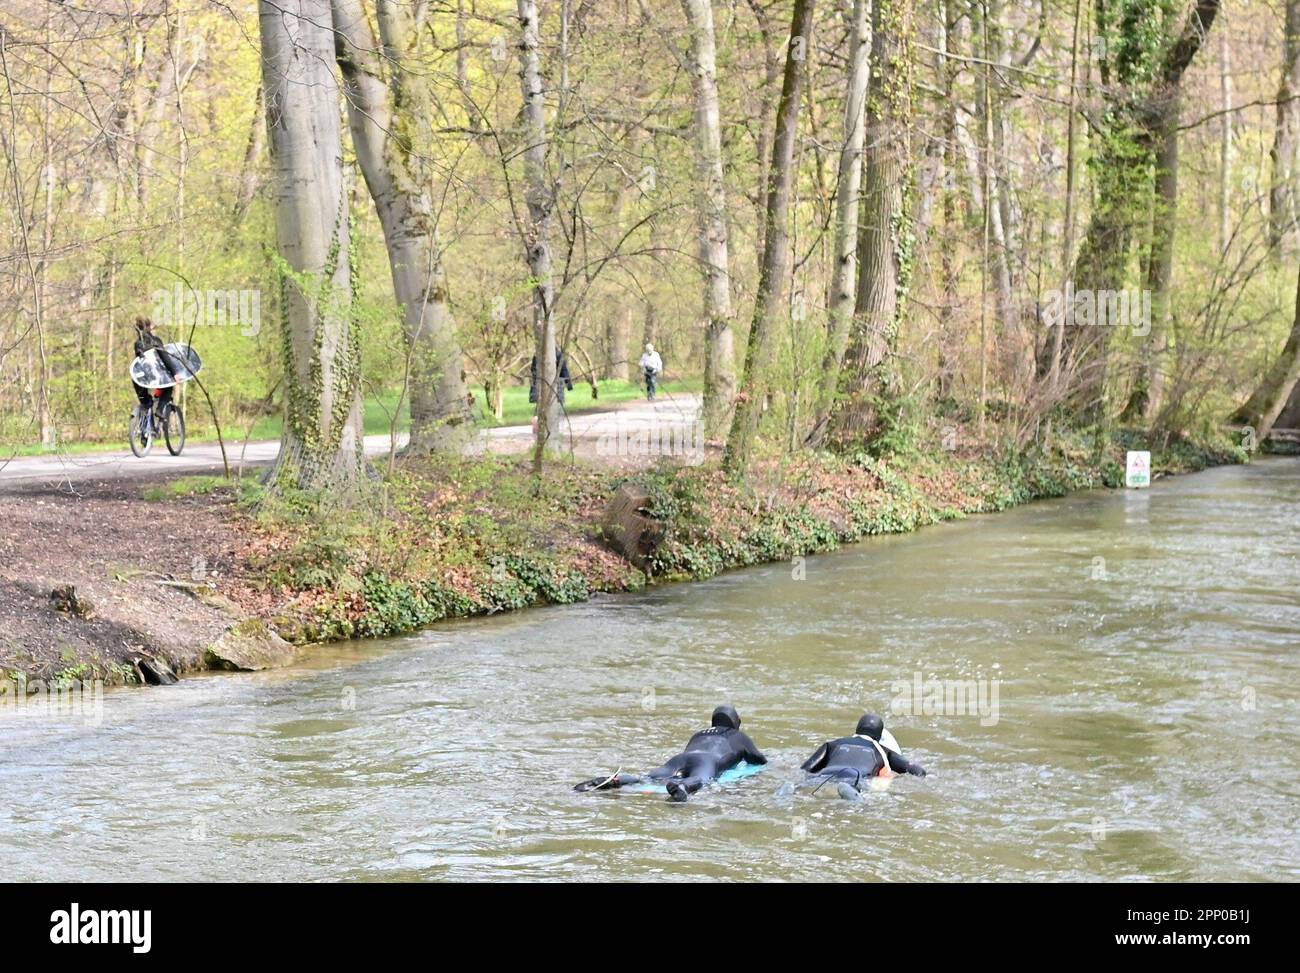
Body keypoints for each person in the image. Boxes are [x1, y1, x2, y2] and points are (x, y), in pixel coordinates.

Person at [574, 704, 767, 802]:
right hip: (707, 761)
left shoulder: (699, 733)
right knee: (702, 779)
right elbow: (759, 760)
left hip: (680, 759)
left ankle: (616, 781)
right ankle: (683, 788)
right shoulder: (738, 735)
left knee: (649, 777)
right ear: (736, 722)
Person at [799, 713, 927, 800]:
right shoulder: (884, 751)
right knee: (870, 787)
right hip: (856, 776)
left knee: (807, 785)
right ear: (879, 735)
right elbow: (917, 771)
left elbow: (806, 768)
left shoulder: (833, 744)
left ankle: (794, 788)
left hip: (824, 775)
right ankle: (852, 795)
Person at [131, 316, 180, 418]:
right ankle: (160, 409)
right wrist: (174, 373)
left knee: (145, 402)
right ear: (150, 327)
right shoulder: (156, 341)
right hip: (155, 376)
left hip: (141, 380)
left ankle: (145, 412)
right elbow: (164, 357)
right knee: (169, 386)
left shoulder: (137, 344)